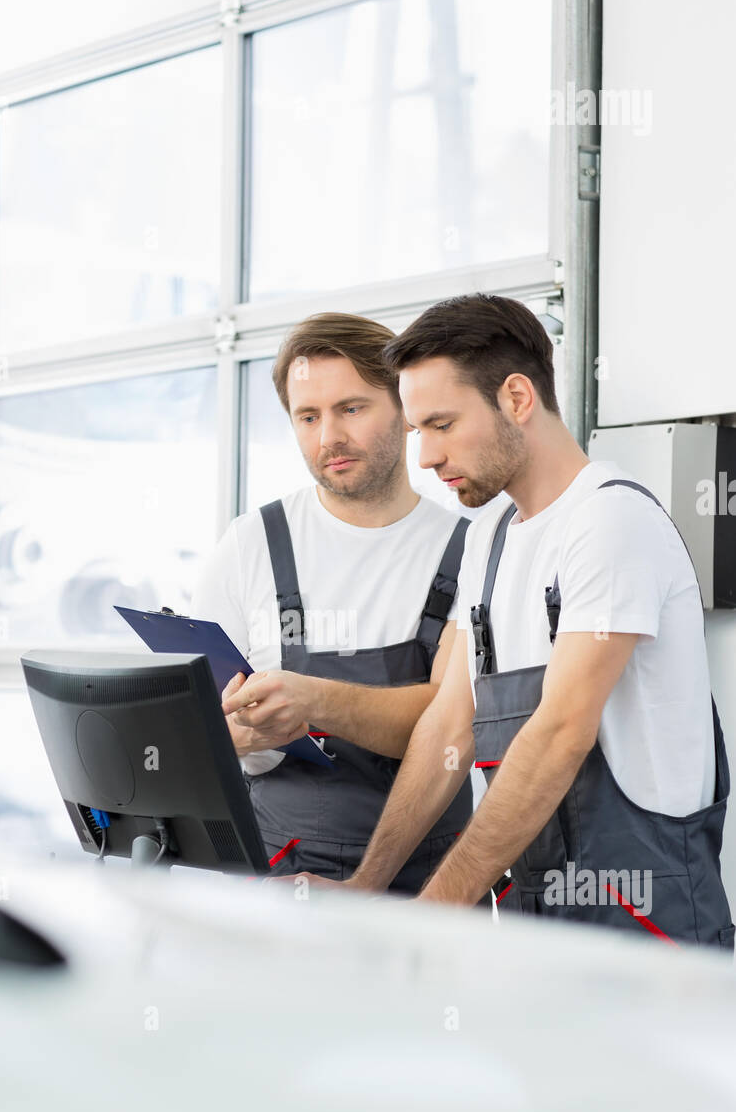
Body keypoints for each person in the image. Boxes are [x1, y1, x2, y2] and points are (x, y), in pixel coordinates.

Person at [293, 293, 733, 949]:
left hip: (650, 936)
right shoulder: (490, 537)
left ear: (518, 398)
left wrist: (430, 912)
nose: (426, 457)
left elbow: (558, 735)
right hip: (538, 932)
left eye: (440, 424)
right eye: (418, 431)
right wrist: (369, 886)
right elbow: (450, 723)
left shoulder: (610, 524)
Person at [189, 312, 473, 892]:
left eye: (351, 408)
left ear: (404, 407)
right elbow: (193, 732)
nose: (328, 439)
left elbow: (453, 723)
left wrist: (311, 701)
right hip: (273, 880)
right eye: (307, 417)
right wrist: (236, 739)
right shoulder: (250, 547)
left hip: (426, 894)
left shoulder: (470, 551)